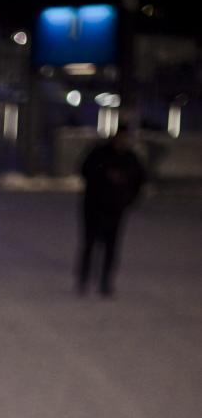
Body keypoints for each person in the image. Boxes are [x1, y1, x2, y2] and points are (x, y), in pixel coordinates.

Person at [77, 124, 147, 297]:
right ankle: (83, 279)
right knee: (90, 244)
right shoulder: (100, 153)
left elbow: (140, 179)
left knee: (111, 246)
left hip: (115, 209)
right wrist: (105, 176)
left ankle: (105, 282)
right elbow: (85, 170)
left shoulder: (130, 157)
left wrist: (130, 200)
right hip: (94, 206)